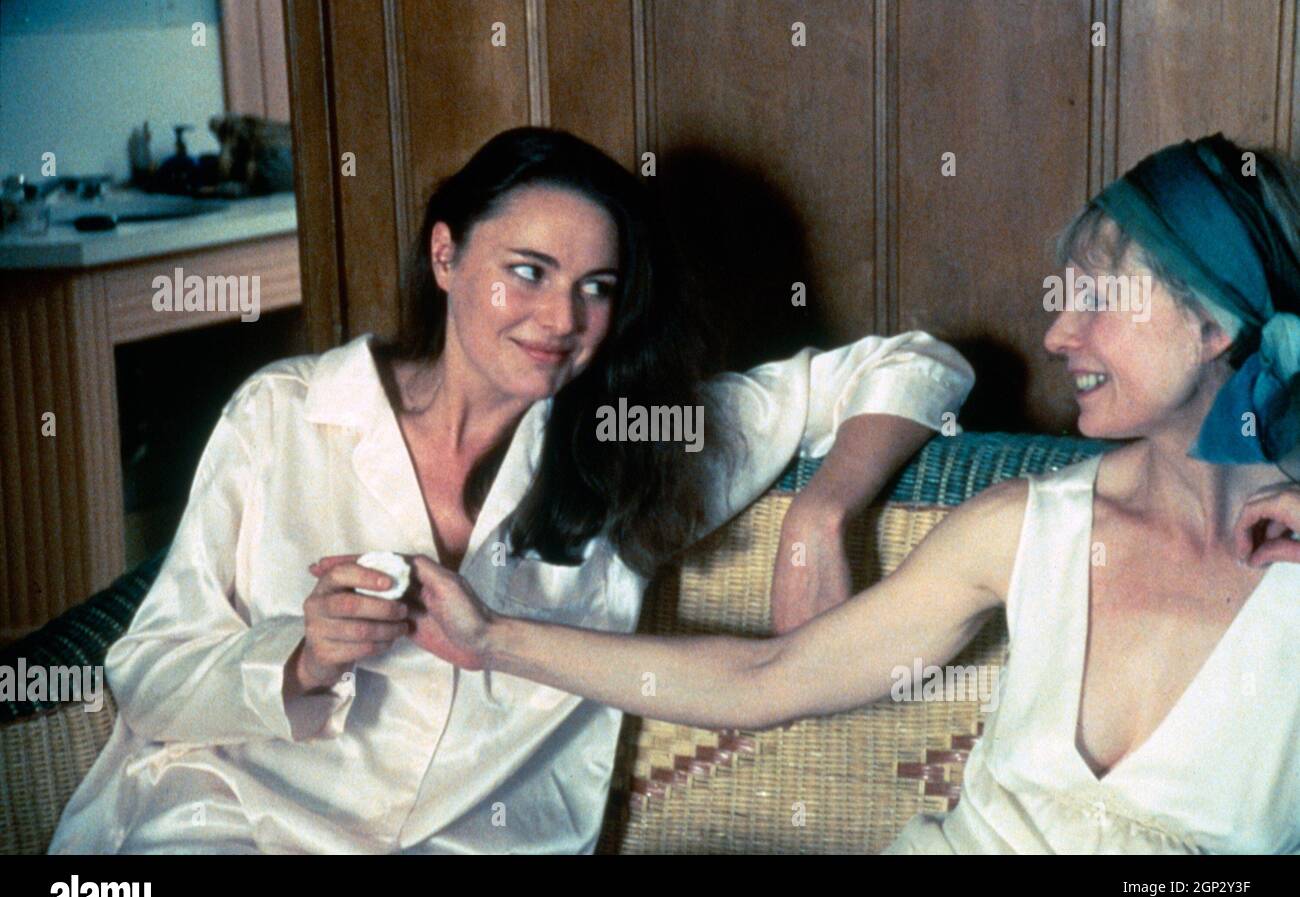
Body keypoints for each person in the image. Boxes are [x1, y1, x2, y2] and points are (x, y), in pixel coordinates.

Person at [48, 127, 974, 854]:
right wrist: (300, 660)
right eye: (526, 272)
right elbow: (146, 673)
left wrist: (822, 513)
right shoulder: (285, 415)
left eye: (596, 287)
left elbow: (916, 364)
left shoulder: (634, 445)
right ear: (446, 257)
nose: (562, 319)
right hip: (233, 820)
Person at [406, 133, 1300, 854]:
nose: (1059, 333)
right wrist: (492, 639)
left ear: (1213, 321)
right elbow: (769, 675)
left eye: (1098, 298)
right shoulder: (1030, 524)